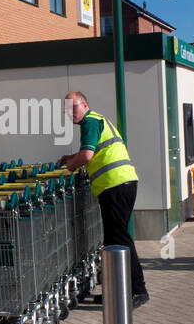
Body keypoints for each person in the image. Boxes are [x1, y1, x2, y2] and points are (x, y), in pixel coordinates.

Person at [58, 92, 149, 307]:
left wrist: (72, 164)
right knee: (112, 241)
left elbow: (87, 155)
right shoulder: (98, 120)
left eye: (74, 107)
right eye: (67, 110)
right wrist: (72, 157)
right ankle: (118, 292)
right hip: (120, 185)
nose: (71, 113)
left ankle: (138, 290)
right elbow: (93, 151)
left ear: (85, 105)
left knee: (121, 239)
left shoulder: (90, 122)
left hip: (115, 186)